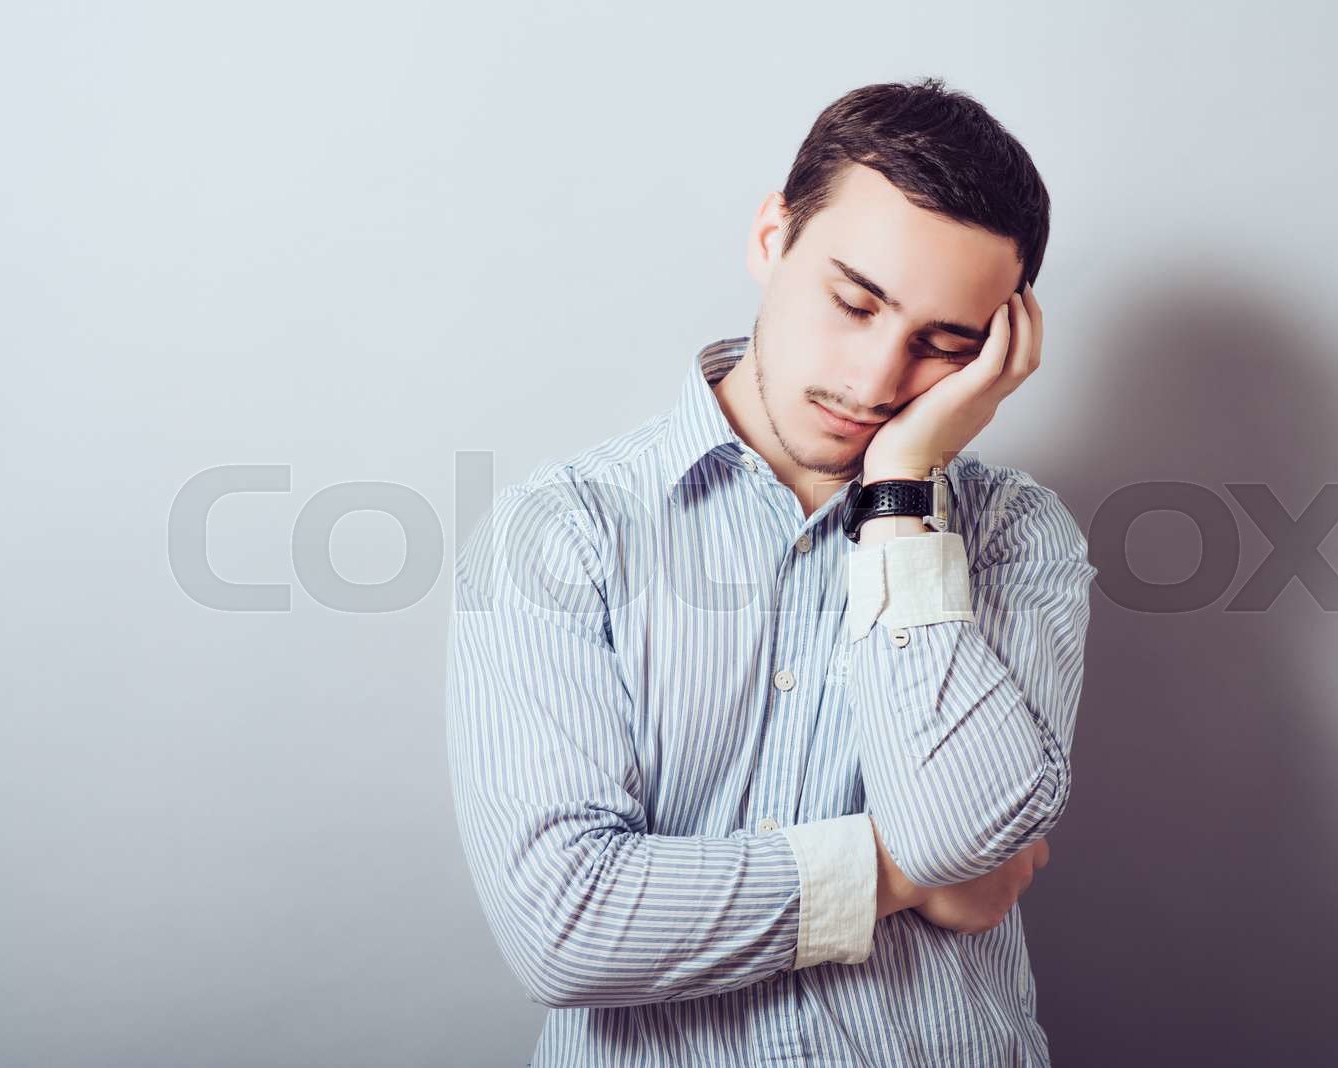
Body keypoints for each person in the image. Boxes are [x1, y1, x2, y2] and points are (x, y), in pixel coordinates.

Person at [446, 76, 1098, 1066]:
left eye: (943, 346)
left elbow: (960, 833)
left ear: (994, 357)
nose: (877, 382)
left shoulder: (1014, 538)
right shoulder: (560, 531)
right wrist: (899, 874)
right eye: (853, 302)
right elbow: (566, 926)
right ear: (769, 239)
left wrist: (901, 493)